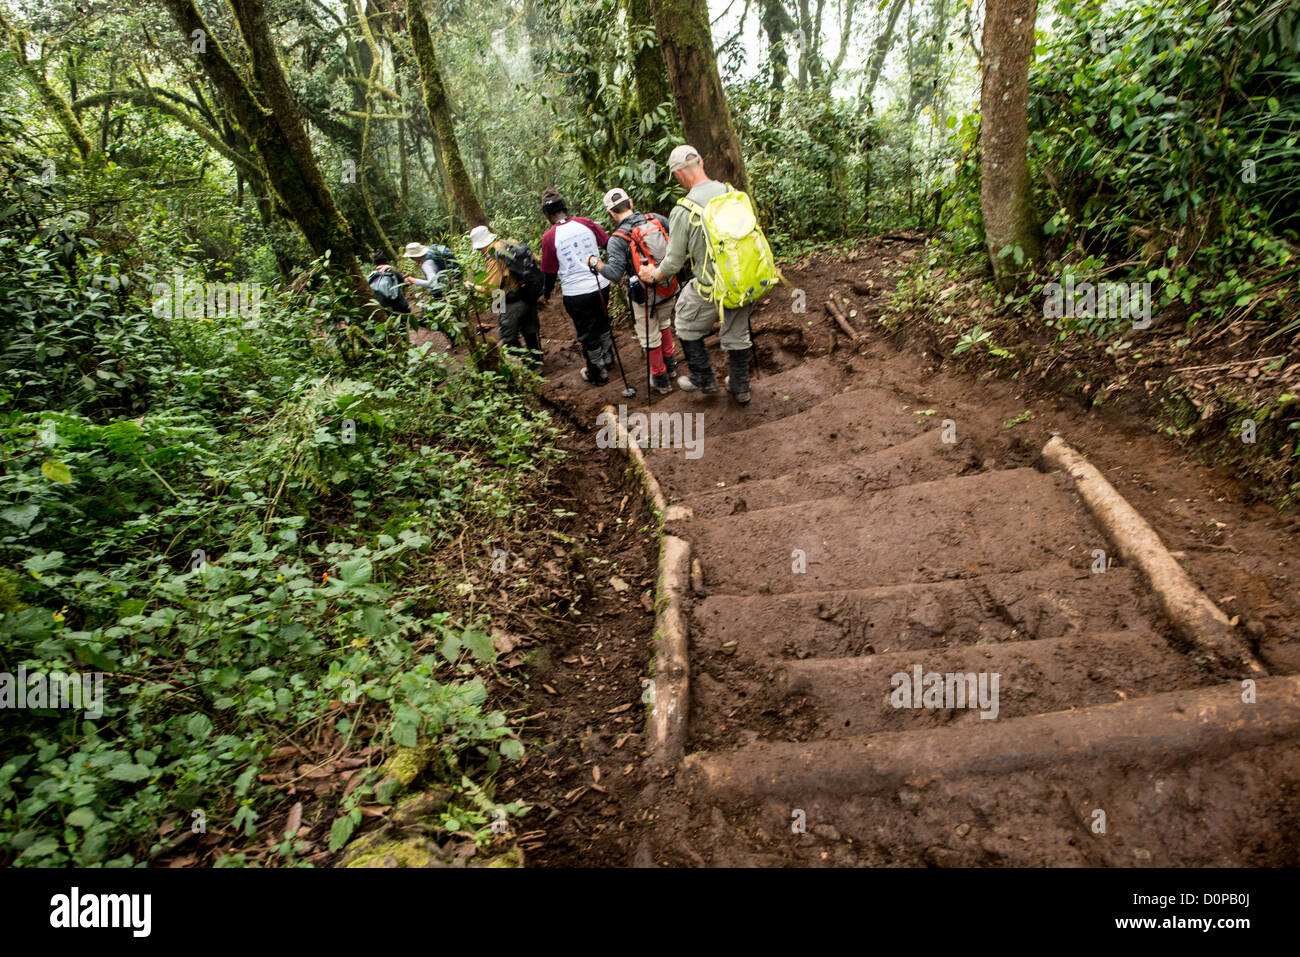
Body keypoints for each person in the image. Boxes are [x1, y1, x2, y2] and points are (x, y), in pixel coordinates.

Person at [637, 146, 758, 403]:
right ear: (701, 161)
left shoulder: (684, 210)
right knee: (737, 332)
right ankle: (740, 387)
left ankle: (703, 378)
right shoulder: (733, 194)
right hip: (743, 279)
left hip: (710, 286)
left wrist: (652, 275)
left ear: (678, 175)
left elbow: (673, 262)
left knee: (685, 324)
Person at [588, 187, 678, 394]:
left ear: (611, 213)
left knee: (649, 337)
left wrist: (595, 264)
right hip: (669, 286)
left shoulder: (617, 239)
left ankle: (660, 379)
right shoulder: (656, 219)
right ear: (631, 203)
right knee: (664, 323)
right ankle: (671, 367)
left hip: (644, 296)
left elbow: (614, 273)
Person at [538, 187, 615, 385]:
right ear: (564, 207)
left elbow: (549, 272)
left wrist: (546, 293)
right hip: (600, 284)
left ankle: (598, 373)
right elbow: (609, 244)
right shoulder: (585, 223)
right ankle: (608, 359)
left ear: (547, 215)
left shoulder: (549, 237)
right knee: (603, 320)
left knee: (587, 330)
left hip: (576, 293)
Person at [464, 225, 543, 368]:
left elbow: (490, 288)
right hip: (528, 294)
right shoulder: (510, 242)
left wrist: (472, 286)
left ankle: (525, 367)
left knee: (508, 335)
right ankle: (537, 360)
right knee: (529, 328)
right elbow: (536, 259)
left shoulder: (493, 256)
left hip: (512, 300)